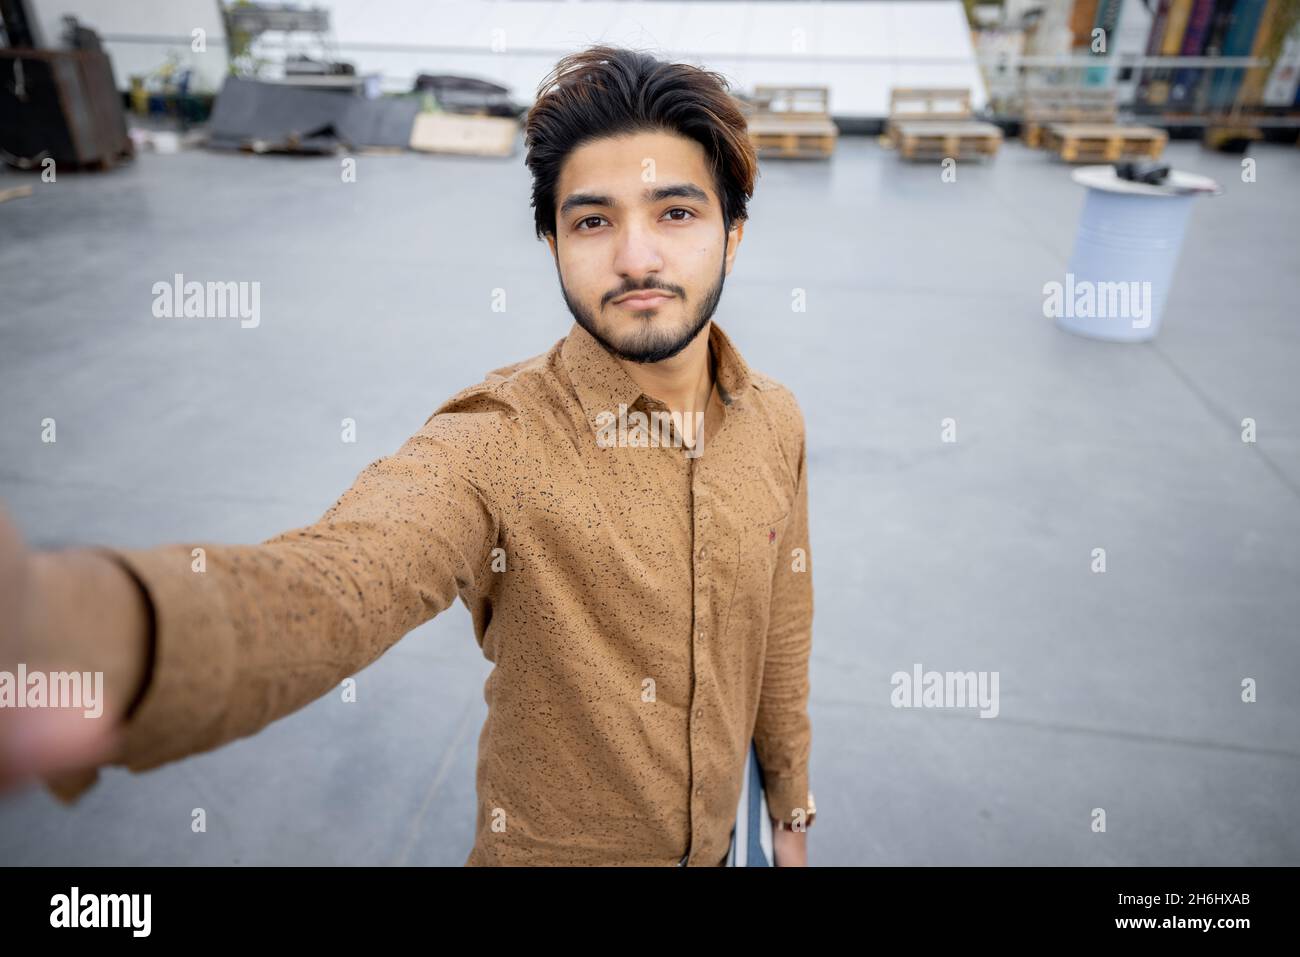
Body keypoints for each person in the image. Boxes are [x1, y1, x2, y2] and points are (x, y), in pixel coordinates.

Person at [0, 44, 815, 867]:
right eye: (593, 220)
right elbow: (340, 584)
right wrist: (78, 630)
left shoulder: (774, 421)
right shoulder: (498, 443)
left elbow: (781, 626)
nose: (636, 258)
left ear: (733, 233)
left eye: (675, 213)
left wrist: (789, 806)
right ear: (553, 243)